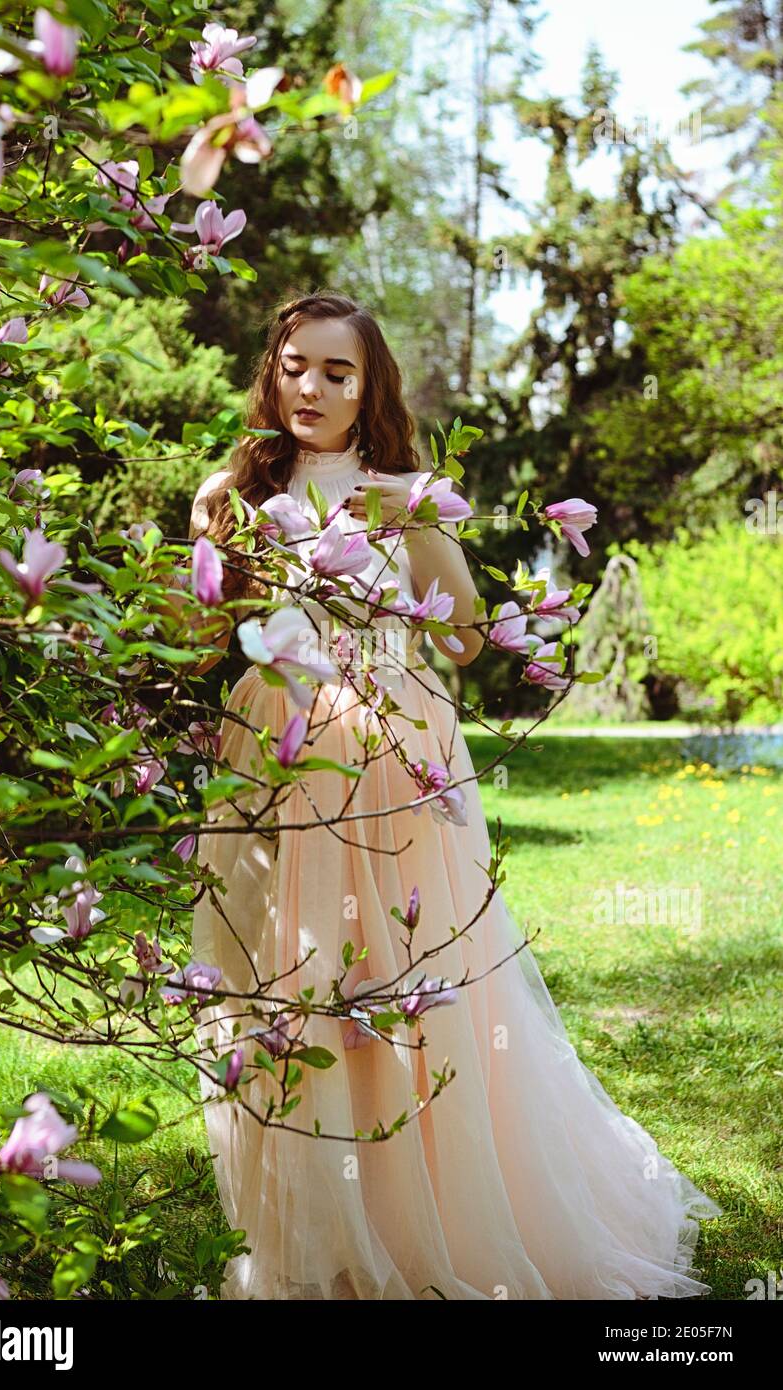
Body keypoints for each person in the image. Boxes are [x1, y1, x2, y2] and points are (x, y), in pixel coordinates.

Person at [188, 291, 721, 1300]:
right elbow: (206, 632)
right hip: (275, 736)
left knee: (398, 979)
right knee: (284, 980)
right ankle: (316, 1230)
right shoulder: (235, 490)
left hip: (389, 740)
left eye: (337, 373)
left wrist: (416, 524)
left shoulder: (406, 488)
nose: (312, 386)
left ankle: (419, 1214)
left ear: (368, 388)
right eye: (295, 365)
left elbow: (465, 637)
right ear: (272, 371)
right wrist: (205, 546)